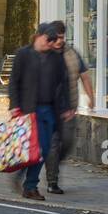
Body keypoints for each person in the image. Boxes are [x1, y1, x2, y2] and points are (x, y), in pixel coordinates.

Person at [7, 22, 72, 200]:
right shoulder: (24, 55)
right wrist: (14, 105)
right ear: (38, 36)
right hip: (30, 109)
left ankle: (26, 180)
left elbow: (63, 83)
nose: (49, 44)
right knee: (37, 149)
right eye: (47, 39)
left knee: (42, 150)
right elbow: (14, 81)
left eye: (53, 41)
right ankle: (30, 186)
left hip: (50, 109)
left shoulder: (56, 58)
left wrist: (66, 107)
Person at [44, 19, 93, 195]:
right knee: (53, 145)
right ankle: (52, 181)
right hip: (48, 109)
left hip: (69, 109)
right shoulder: (44, 53)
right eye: (56, 38)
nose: (59, 41)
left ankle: (52, 164)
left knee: (67, 143)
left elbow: (84, 76)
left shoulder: (71, 54)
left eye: (62, 37)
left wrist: (90, 97)